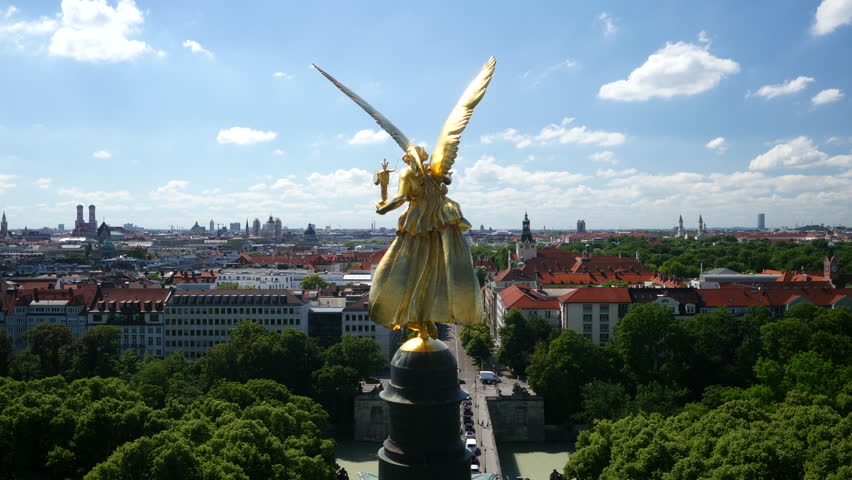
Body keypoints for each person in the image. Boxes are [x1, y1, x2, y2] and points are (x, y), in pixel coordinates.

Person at [370, 145, 482, 337]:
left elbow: (401, 199)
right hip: (433, 226)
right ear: (411, 156)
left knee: (412, 270)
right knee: (432, 270)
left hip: (422, 227)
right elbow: (406, 196)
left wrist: (382, 207)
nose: (423, 149)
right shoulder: (418, 173)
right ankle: (422, 316)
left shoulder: (423, 173)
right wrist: (384, 193)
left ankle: (418, 315)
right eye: (418, 149)